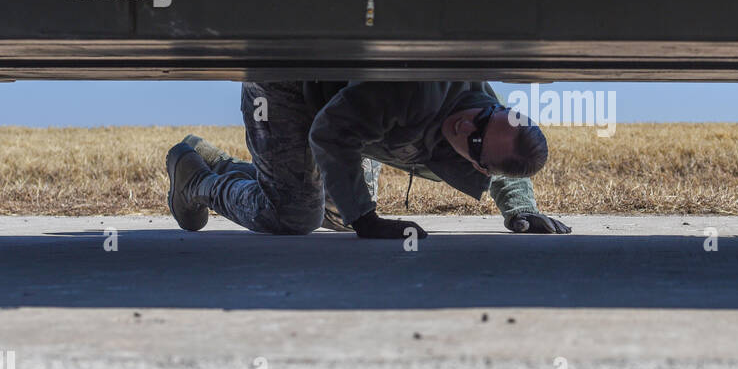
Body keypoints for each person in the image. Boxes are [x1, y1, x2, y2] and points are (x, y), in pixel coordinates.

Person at [165, 81, 571, 239]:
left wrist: (522, 209)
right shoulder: (422, 91)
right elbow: (329, 134)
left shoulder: (486, 124)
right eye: (481, 117)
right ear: (495, 109)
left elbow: (506, 156)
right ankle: (195, 180)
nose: (467, 127)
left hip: (348, 112)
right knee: (295, 216)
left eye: (477, 140)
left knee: (339, 211)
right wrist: (368, 221)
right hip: (287, 86)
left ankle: (216, 164)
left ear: (480, 164)